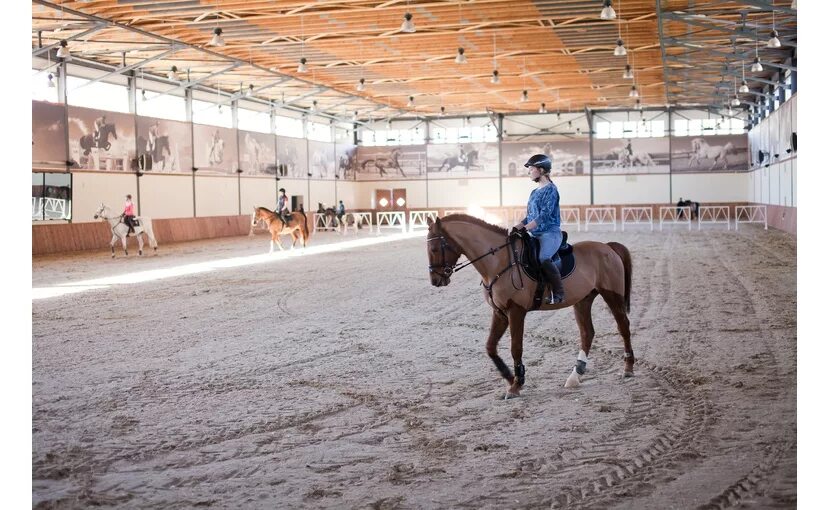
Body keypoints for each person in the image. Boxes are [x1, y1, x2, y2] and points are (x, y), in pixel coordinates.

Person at [512, 154, 564, 305]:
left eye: (531, 169)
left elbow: (545, 215)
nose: (529, 172)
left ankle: (559, 292)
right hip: (534, 233)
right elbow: (529, 216)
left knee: (543, 258)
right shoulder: (534, 193)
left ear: (541, 170)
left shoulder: (552, 190)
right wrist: (517, 227)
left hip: (550, 233)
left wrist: (526, 228)